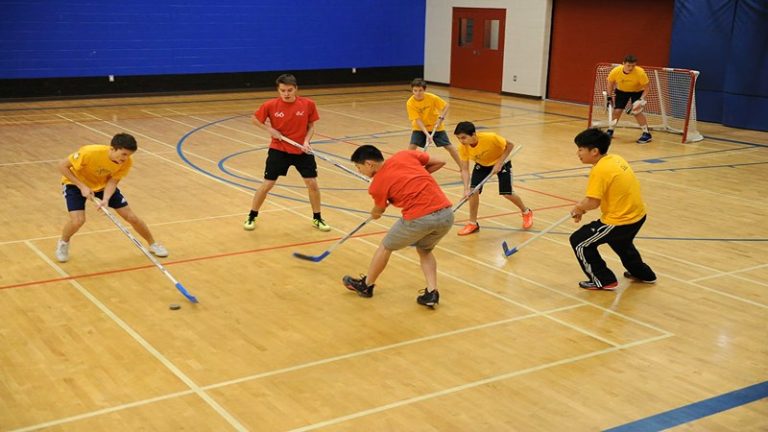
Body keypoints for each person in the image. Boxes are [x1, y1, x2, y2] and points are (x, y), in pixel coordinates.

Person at [342, 145, 454, 308]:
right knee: (424, 250)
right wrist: (413, 178)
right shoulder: (405, 155)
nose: (359, 171)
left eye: (359, 167)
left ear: (369, 164)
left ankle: (367, 285)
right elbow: (440, 161)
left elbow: (379, 211)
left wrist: (374, 213)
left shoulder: (376, 186)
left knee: (385, 247)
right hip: (446, 216)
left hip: (419, 219)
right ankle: (432, 293)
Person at [55, 133, 168, 263]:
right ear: (113, 148)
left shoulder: (126, 162)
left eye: (129, 155)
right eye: (124, 154)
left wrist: (106, 199)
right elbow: (62, 166)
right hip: (74, 184)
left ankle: (153, 244)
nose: (126, 158)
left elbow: (113, 182)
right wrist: (82, 186)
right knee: (78, 221)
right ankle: (63, 243)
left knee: (131, 217)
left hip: (103, 186)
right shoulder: (90, 152)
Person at [569, 128, 656, 290]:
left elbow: (593, 202)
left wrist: (579, 208)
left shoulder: (600, 170)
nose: (577, 153)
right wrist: (582, 207)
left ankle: (603, 280)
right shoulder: (615, 159)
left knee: (579, 241)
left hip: (620, 220)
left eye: (580, 149)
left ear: (594, 151)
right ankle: (643, 273)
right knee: (621, 241)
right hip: (638, 215)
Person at [243, 73, 331, 232]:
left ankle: (317, 218)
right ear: (278, 90)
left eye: (290, 90)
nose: (286, 93)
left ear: (296, 89)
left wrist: (306, 142)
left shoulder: (308, 104)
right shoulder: (270, 105)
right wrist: (269, 129)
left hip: (302, 150)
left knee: (312, 184)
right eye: (283, 90)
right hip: (279, 150)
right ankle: (252, 215)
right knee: (268, 184)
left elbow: (311, 126)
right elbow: (255, 119)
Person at [453, 121, 533, 235]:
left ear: (474, 134)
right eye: (459, 138)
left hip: (502, 162)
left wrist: (499, 163)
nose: (461, 141)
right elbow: (465, 169)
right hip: (482, 165)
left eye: (464, 138)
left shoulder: (491, 138)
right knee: (472, 192)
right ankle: (472, 223)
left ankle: (526, 212)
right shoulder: (463, 148)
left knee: (507, 193)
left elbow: (510, 145)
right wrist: (466, 189)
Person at [406, 78, 461, 167]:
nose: (418, 93)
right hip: (419, 128)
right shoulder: (410, 103)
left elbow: (446, 106)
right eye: (415, 90)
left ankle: (462, 166)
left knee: (449, 147)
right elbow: (418, 120)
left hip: (436, 126)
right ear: (412, 90)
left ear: (424, 90)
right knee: (411, 148)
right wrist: (427, 134)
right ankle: (408, 167)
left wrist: (441, 118)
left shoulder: (432, 98)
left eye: (420, 90)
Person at [606, 54, 652, 144]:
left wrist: (641, 99)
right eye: (628, 65)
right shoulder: (616, 71)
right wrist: (609, 96)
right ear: (623, 64)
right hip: (622, 91)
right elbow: (610, 83)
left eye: (633, 66)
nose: (630, 68)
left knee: (637, 112)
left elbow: (647, 89)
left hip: (637, 91)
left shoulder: (640, 73)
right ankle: (610, 130)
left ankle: (646, 133)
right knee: (617, 111)